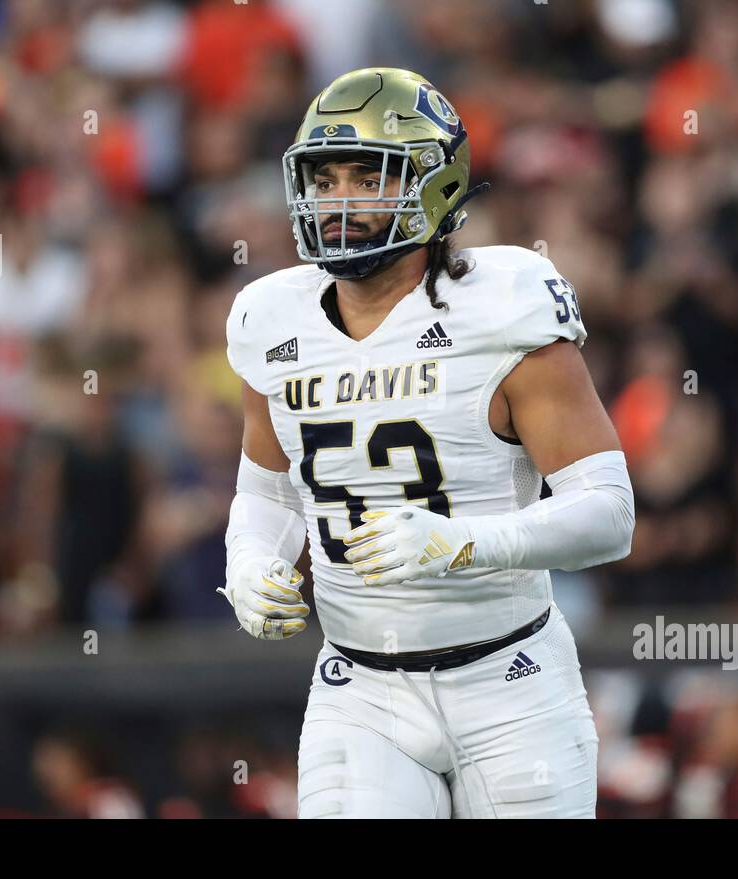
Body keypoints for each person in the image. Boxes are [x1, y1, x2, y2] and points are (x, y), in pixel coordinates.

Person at [218, 67, 636, 818]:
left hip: (509, 682)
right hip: (360, 691)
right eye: (324, 176)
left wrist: (460, 544)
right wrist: (250, 561)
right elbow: (268, 490)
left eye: (368, 177)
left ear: (435, 185)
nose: (338, 199)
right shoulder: (270, 319)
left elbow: (607, 514)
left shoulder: (503, 308)